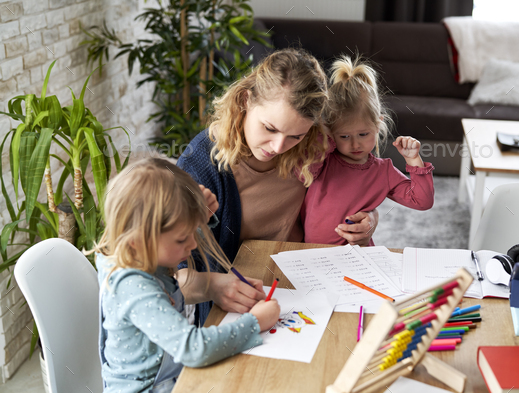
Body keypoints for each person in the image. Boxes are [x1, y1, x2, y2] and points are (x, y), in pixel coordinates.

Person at [176, 48, 380, 325]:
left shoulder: (318, 145)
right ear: (246, 100)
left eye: (296, 135)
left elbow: (362, 183)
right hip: (242, 301)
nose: (279, 147)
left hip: (313, 283)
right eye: (269, 128)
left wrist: (369, 219)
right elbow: (168, 279)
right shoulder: (202, 162)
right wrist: (211, 286)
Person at [93, 158, 280, 393]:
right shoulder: (134, 288)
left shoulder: (138, 253)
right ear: (139, 240)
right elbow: (193, 349)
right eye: (183, 239)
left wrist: (200, 215)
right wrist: (255, 324)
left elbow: (173, 236)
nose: (192, 243)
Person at [301, 56, 435, 245]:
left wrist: (414, 160)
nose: (355, 144)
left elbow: (422, 201)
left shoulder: (383, 171)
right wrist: (326, 136)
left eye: (363, 134)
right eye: (344, 136)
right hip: (309, 253)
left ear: (378, 126)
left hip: (358, 255)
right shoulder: (323, 160)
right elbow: (301, 172)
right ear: (330, 131)